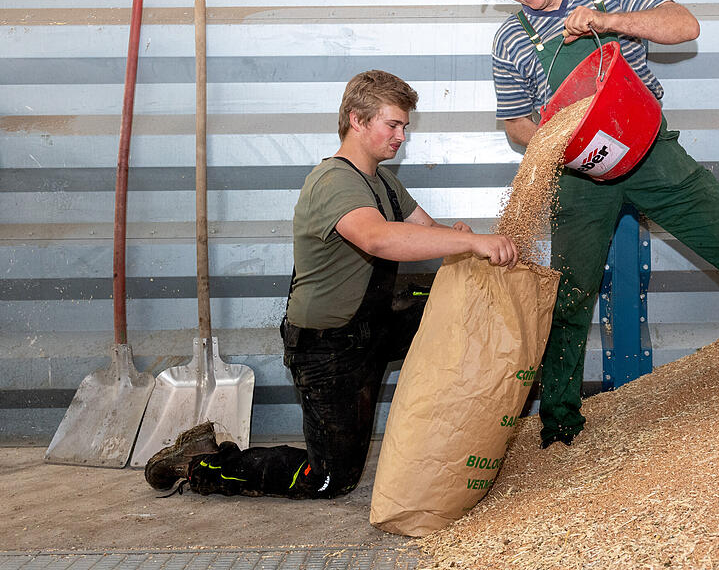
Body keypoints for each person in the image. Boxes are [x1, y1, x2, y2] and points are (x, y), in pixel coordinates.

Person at [477, 0, 719, 449]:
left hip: (649, 154)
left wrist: (610, 22)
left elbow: (685, 25)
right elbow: (517, 123)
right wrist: (559, 137)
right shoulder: (510, 40)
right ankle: (560, 420)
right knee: (567, 301)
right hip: (581, 174)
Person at [145, 69, 518, 498]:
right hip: (329, 349)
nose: (401, 136)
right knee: (329, 479)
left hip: (373, 328)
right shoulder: (334, 181)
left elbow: (426, 233)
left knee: (451, 301)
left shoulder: (383, 181)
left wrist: (467, 241)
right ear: (358, 121)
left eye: (404, 127)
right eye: (392, 124)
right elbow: (379, 239)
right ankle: (203, 464)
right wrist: (470, 243)